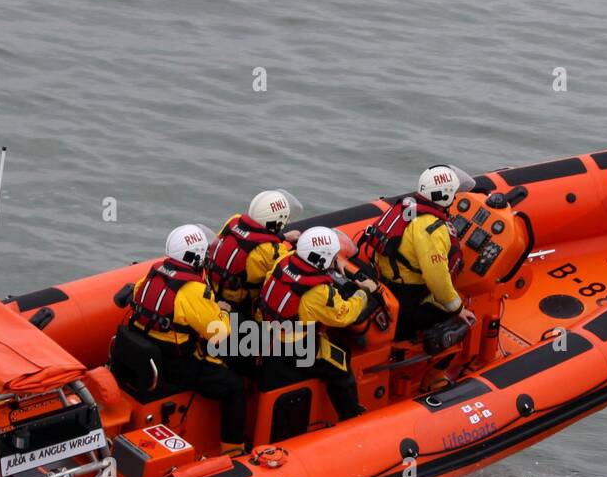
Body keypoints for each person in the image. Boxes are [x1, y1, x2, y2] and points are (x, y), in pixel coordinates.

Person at [124, 224, 249, 454]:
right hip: (178, 364)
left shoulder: (150, 277)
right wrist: (222, 310)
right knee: (234, 386)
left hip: (149, 354)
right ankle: (234, 450)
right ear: (196, 255)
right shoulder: (192, 290)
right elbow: (219, 332)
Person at [256, 226, 379, 421]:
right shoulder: (318, 292)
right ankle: (351, 417)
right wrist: (364, 292)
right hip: (294, 349)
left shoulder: (284, 260)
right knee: (340, 362)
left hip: (266, 334)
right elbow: (344, 315)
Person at [364, 165, 477, 340]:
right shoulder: (433, 229)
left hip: (386, 284)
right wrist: (458, 309)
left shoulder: (407, 208)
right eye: (453, 194)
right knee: (460, 318)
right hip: (408, 300)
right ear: (445, 195)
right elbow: (437, 278)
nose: (455, 197)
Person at [204, 189, 299, 314]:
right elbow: (290, 271)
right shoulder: (272, 251)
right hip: (239, 302)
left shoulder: (233, 221)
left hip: (212, 286)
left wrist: (282, 237)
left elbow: (253, 235)